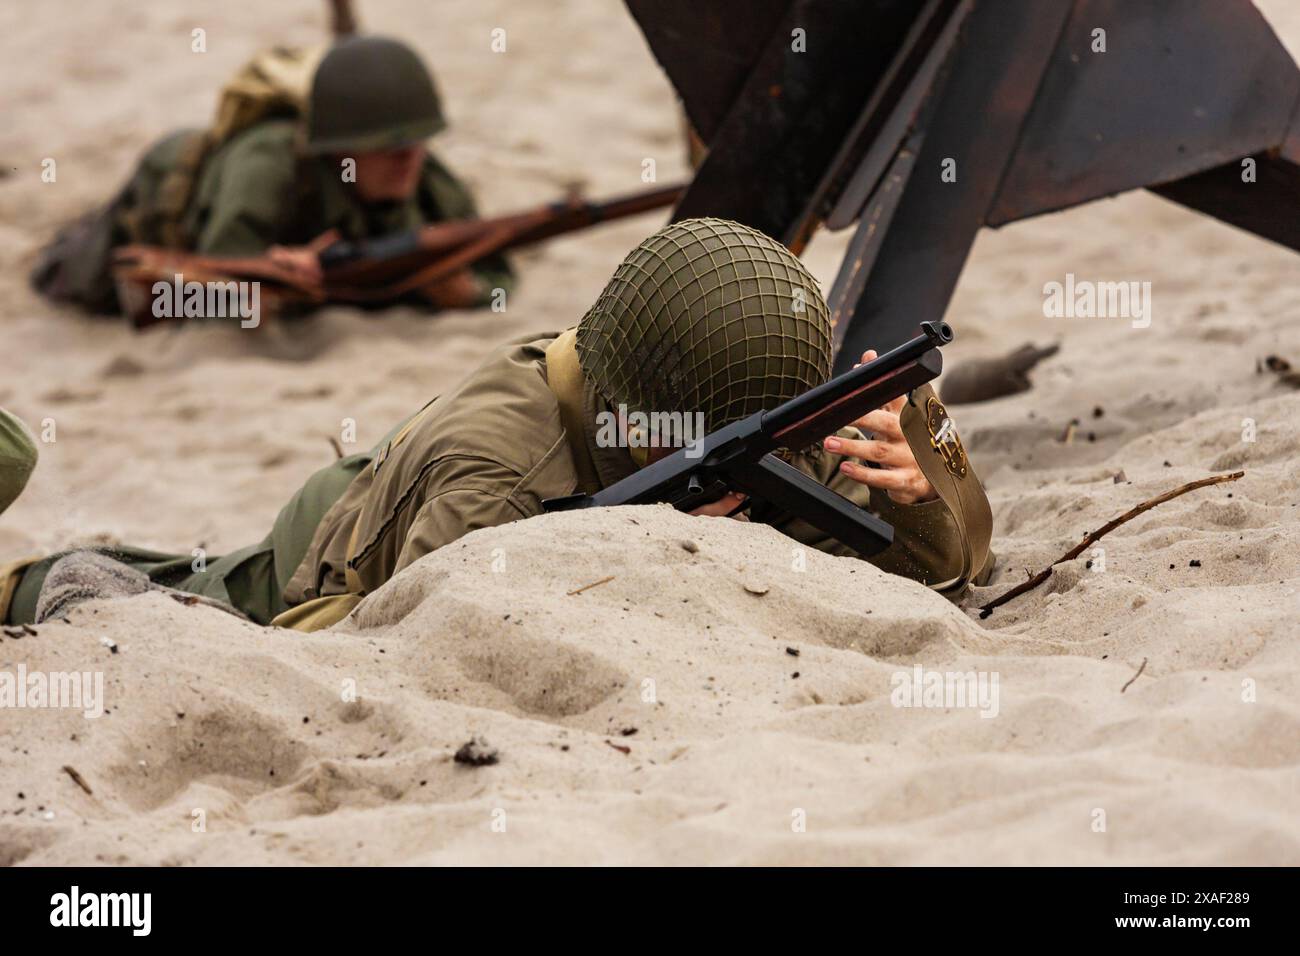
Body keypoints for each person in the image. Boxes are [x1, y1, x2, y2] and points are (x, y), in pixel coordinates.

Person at [2, 219, 992, 629]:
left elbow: (950, 569)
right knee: (160, 598)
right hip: (329, 549)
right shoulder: (501, 478)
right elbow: (368, 645)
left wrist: (931, 455)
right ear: (635, 409)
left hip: (433, 472)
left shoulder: (731, 397)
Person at [30, 35, 513, 316]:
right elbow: (193, 300)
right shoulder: (266, 169)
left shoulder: (424, 175)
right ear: (338, 149)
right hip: (145, 219)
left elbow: (498, 271)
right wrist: (269, 282)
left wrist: (465, 294)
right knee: (65, 280)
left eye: (417, 142)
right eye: (387, 149)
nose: (408, 160)